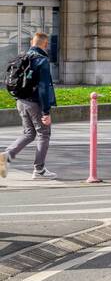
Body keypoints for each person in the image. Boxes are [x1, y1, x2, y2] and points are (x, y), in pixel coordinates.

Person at [0, 31, 58, 182]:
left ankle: (7, 155)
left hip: (20, 101)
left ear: (33, 42)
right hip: (34, 103)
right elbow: (44, 87)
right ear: (45, 44)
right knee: (43, 135)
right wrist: (46, 111)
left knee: (29, 133)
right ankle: (39, 170)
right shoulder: (41, 60)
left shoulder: (22, 57)